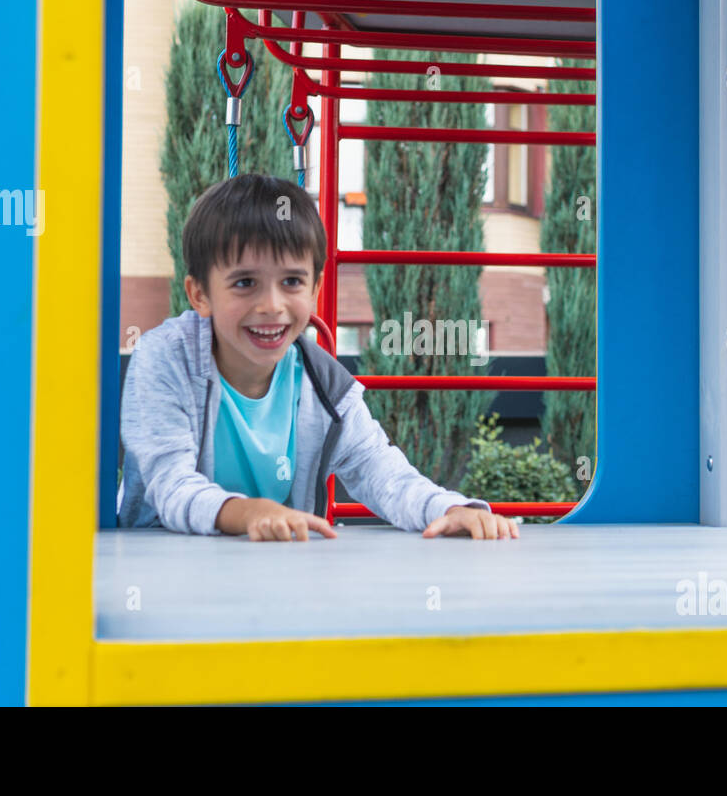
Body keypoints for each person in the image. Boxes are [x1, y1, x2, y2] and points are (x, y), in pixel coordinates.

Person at [118, 173, 520, 542]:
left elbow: (381, 470)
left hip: (269, 570)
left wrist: (448, 508)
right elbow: (169, 483)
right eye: (245, 283)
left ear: (315, 290)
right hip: (163, 561)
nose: (272, 305)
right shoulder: (167, 360)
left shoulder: (325, 386)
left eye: (291, 281)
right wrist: (249, 512)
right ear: (199, 294)